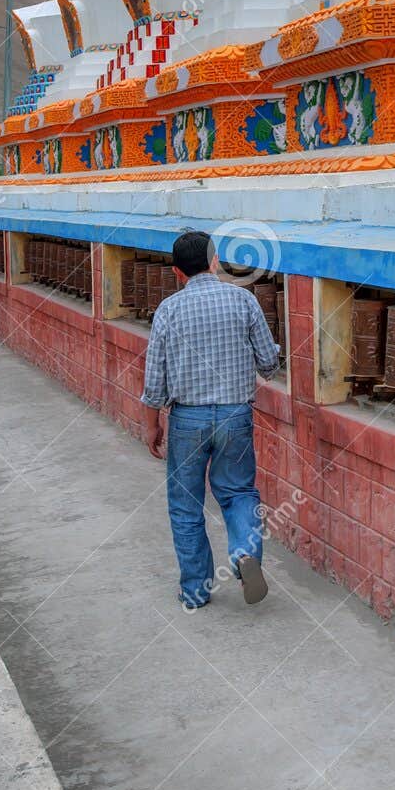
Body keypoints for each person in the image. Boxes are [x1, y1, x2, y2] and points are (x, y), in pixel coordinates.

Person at [141, 230, 280, 612]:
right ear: (215, 261)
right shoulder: (244, 300)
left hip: (187, 418)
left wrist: (152, 425)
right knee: (238, 492)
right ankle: (244, 552)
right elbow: (268, 360)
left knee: (186, 505)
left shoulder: (168, 310)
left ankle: (195, 591)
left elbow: (154, 382)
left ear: (176, 272)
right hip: (236, 414)